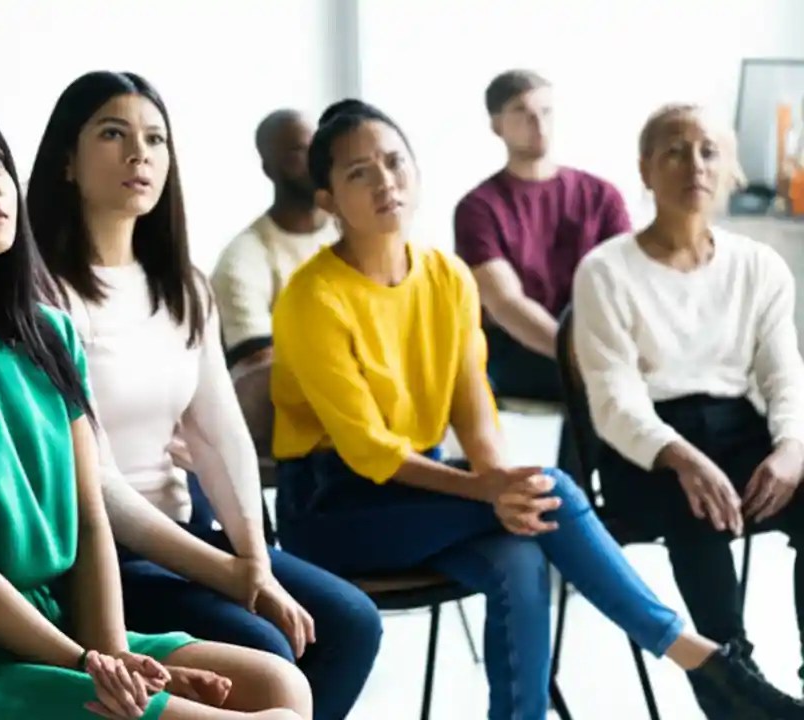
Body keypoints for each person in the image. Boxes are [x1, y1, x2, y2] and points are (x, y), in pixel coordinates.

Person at [271, 98, 804, 720]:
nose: (385, 181)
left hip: (417, 490)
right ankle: (704, 660)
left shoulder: (446, 276)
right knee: (552, 491)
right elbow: (368, 451)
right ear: (329, 199)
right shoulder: (312, 298)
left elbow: (473, 406)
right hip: (332, 505)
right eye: (359, 172)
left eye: (394, 162)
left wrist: (501, 482)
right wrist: (489, 487)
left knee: (522, 544)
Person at [0, 89, 310, 720]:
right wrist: (87, 666)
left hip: (50, 627)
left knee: (281, 688)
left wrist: (113, 655)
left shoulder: (49, 334)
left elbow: (91, 520)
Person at [27, 71, 379, 720]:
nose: (139, 154)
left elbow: (221, 436)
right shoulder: (38, 295)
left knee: (352, 622)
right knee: (265, 647)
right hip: (100, 558)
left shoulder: (183, 285)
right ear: (67, 162)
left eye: (155, 139)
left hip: (188, 532)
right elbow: (94, 483)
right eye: (113, 134)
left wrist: (255, 559)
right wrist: (231, 576)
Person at [575, 103, 804, 700]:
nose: (694, 165)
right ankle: (735, 684)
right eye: (674, 151)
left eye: (708, 151)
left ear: (729, 169)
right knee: (694, 501)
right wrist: (682, 457)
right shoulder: (605, 271)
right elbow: (614, 399)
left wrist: (791, 449)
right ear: (645, 170)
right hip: (646, 448)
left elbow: (784, 374)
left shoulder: (760, 266)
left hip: (737, 427)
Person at [454, 70, 632, 409]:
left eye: (546, 111)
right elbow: (505, 304)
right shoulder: (478, 208)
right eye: (522, 112)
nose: (538, 123)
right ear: (496, 125)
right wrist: (574, 355)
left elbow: (627, 284)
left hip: (595, 340)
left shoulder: (601, 195)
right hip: (520, 350)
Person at [211, 109, 336, 370]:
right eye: (298, 151)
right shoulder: (242, 261)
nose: (316, 161)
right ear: (269, 169)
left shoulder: (355, 230)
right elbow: (260, 367)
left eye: (318, 147)